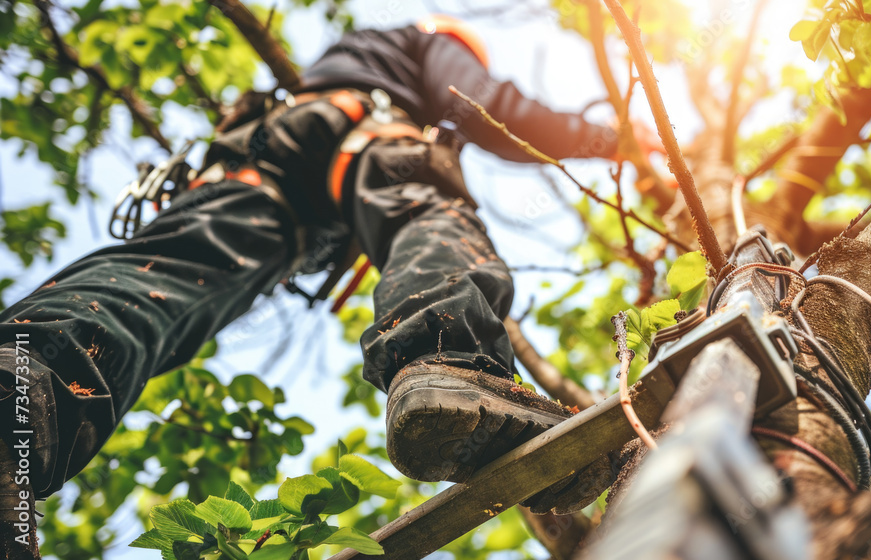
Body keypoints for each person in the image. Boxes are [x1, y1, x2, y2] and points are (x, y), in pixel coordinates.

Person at [0, 15, 662, 558]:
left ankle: (23, 390)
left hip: (263, 156)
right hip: (369, 139)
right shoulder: (427, 46)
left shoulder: (345, 55)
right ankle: (451, 362)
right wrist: (616, 140)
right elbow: (484, 107)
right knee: (423, 215)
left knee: (169, 272)